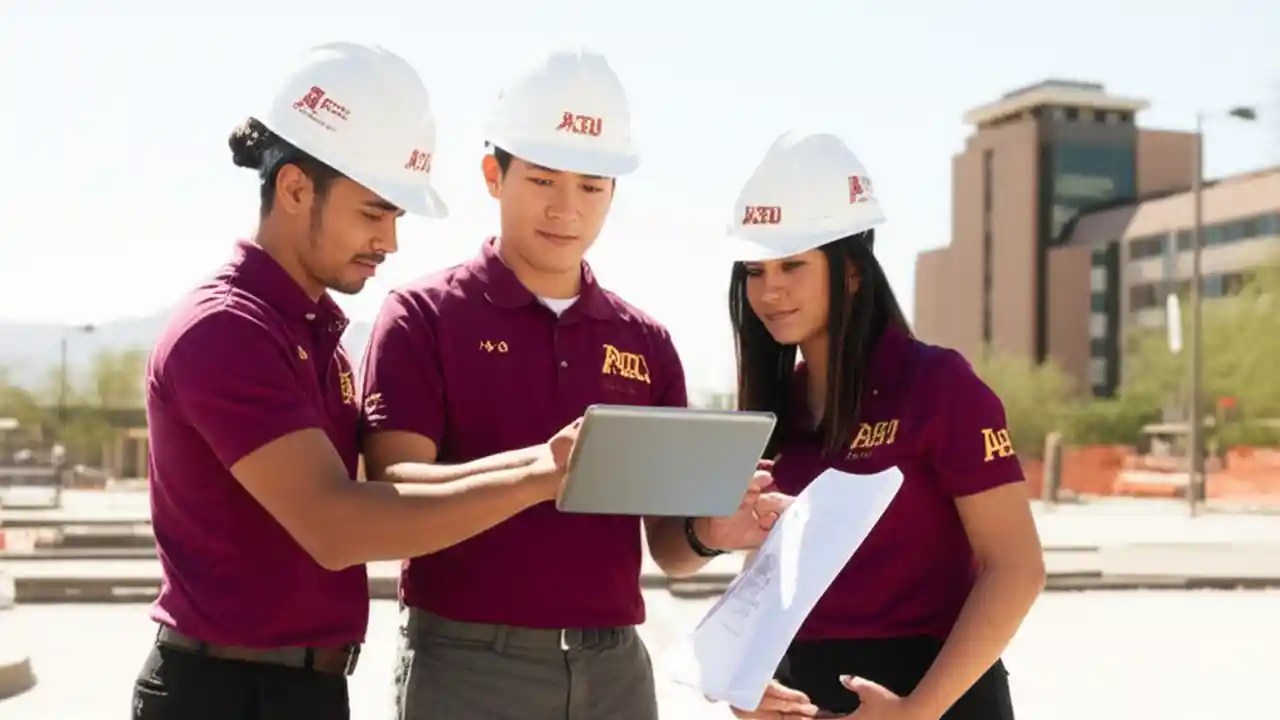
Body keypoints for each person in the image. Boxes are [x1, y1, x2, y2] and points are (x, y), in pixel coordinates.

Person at [133, 42, 583, 720]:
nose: (390, 242)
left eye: (395, 217)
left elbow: (380, 493)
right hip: (222, 694)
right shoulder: (224, 333)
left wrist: (545, 461)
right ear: (293, 188)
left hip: (299, 689)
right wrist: (541, 478)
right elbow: (337, 525)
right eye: (373, 212)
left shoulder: (315, 336)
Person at [359, 45, 786, 720]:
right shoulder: (423, 316)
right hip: (469, 669)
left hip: (614, 669)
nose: (566, 209)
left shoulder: (644, 342)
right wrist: (541, 470)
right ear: (492, 174)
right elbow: (391, 494)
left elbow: (669, 549)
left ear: (614, 194)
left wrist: (713, 531)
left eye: (591, 187)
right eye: (542, 180)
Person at [719, 131, 1046, 720]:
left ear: (850, 272)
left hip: (933, 695)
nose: (769, 290)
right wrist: (749, 682)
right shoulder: (777, 411)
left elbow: (1016, 568)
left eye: (792, 264)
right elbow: (768, 578)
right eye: (755, 270)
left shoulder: (938, 386)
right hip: (806, 697)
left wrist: (918, 711)